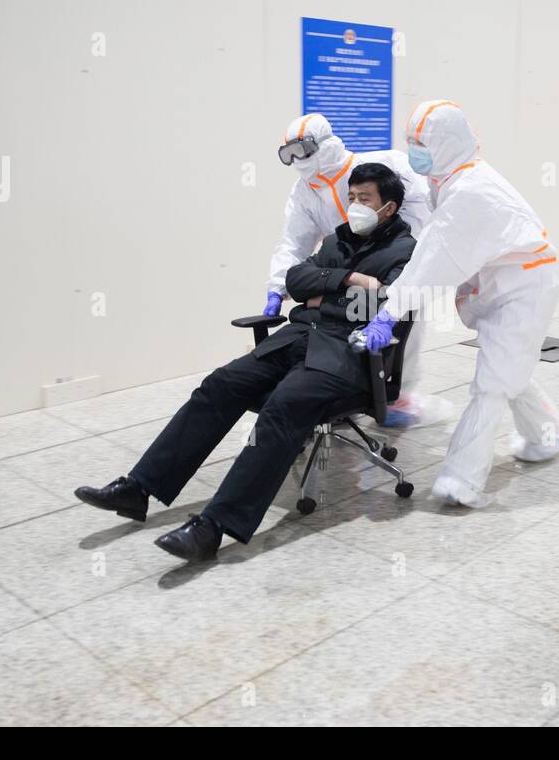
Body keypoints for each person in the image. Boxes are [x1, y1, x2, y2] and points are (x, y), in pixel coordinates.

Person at [75, 163, 416, 561]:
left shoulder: (406, 252)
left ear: (388, 208)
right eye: (352, 197)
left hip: (347, 356)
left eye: (365, 199)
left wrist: (325, 295)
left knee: (283, 406)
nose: (355, 205)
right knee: (219, 385)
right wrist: (348, 281)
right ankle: (139, 488)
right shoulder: (337, 240)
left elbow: (382, 305)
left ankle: (214, 526)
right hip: (296, 339)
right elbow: (296, 280)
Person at [358, 100, 559, 507]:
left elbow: (433, 259)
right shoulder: (449, 177)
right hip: (506, 285)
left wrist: (389, 313)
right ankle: (549, 436)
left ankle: (461, 480)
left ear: (446, 143)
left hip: (525, 290)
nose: (414, 149)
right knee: (510, 372)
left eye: (421, 142)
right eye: (410, 141)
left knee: (490, 385)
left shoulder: (469, 190)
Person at [265, 113, 433, 427]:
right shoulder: (305, 190)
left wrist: (408, 267)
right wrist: (277, 287)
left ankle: (397, 400)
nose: (296, 160)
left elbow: (426, 217)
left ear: (325, 143)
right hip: (343, 273)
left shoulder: (385, 165)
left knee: (402, 331)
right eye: (288, 154)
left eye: (301, 149)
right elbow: (293, 241)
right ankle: (344, 394)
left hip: (394, 268)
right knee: (342, 328)